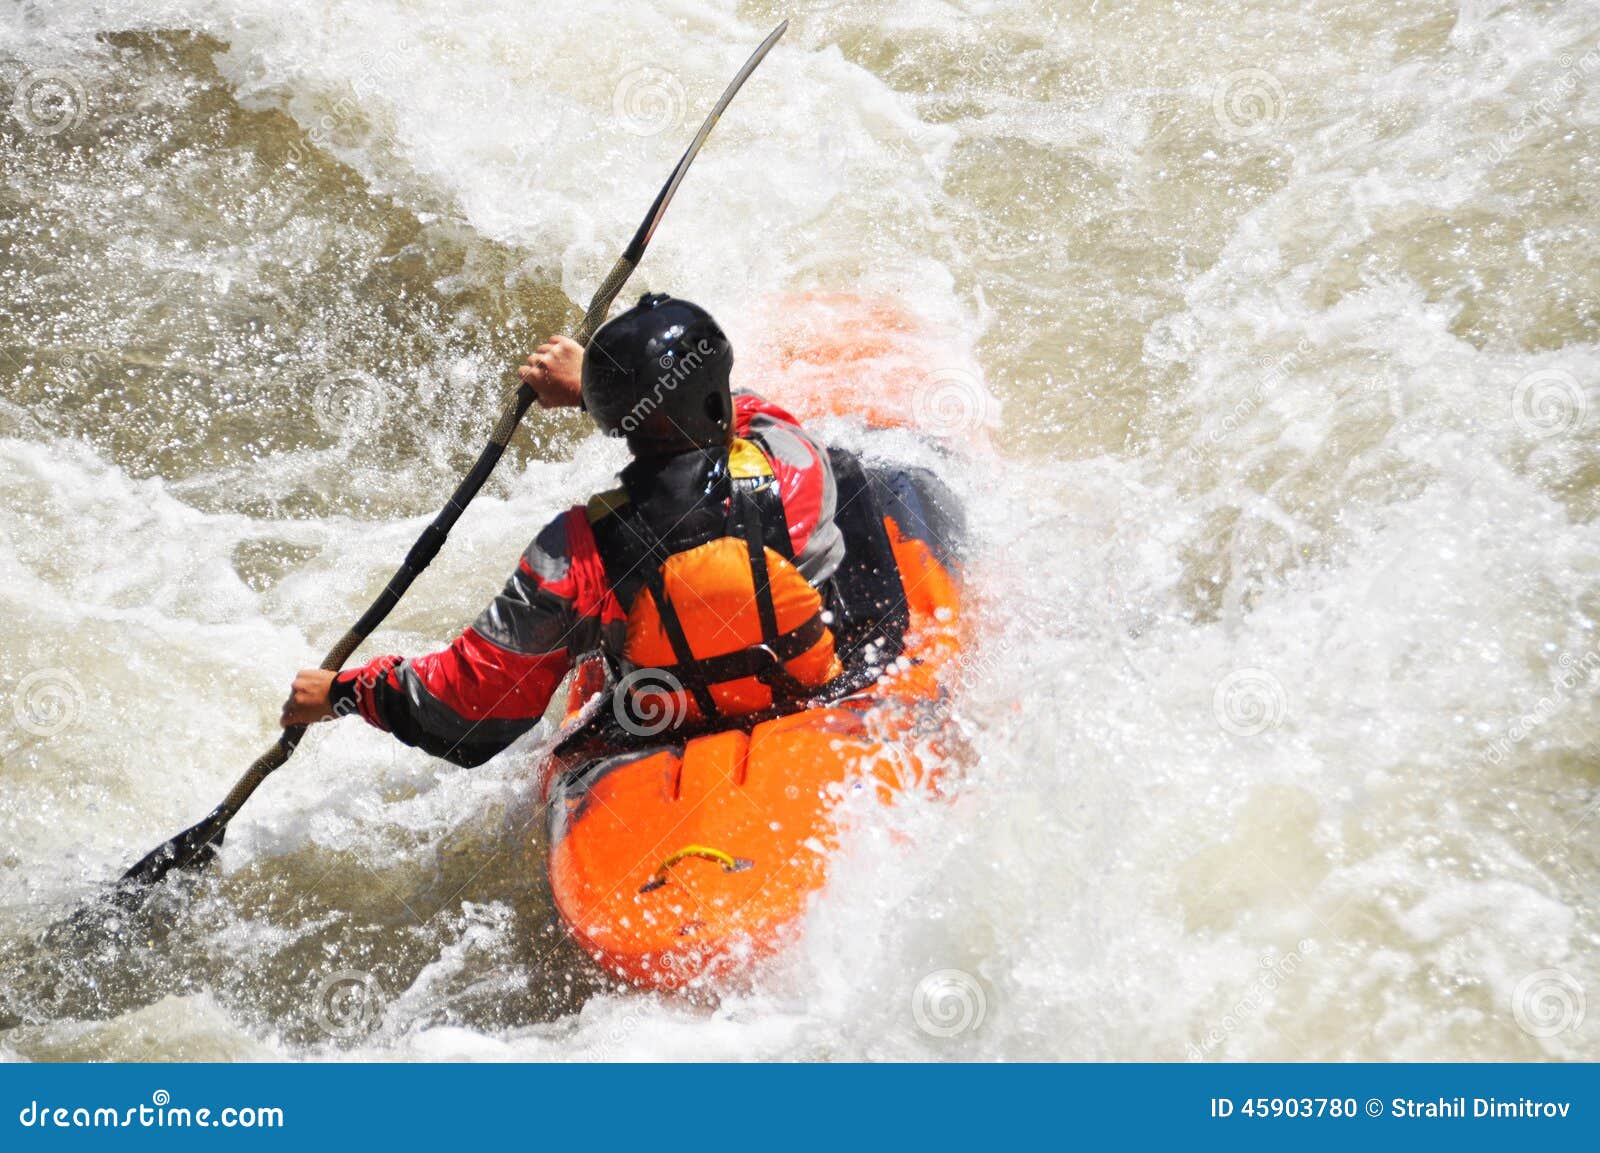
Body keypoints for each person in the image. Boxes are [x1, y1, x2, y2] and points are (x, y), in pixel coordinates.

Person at [280, 293, 961, 766]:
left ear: (613, 424)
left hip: (671, 718)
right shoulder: (793, 462)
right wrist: (596, 387)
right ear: (717, 393)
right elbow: (740, 411)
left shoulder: (573, 551)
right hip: (818, 682)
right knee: (857, 467)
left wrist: (341, 693)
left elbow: (473, 701)